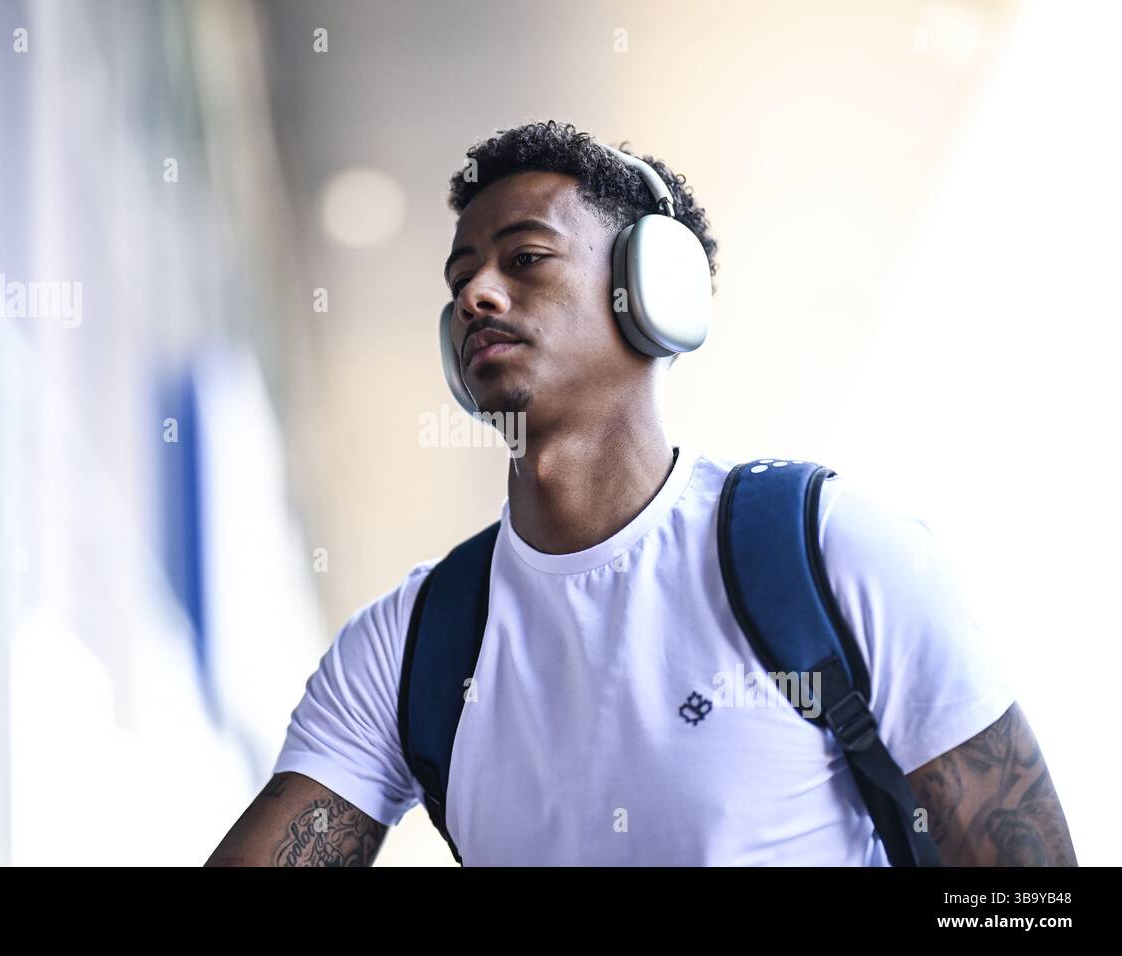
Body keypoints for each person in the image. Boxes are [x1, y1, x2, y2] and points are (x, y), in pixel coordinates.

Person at [205, 120, 1077, 867]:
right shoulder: (408, 648)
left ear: (656, 293)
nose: (475, 293)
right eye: (460, 277)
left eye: (527, 258)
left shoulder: (831, 554)